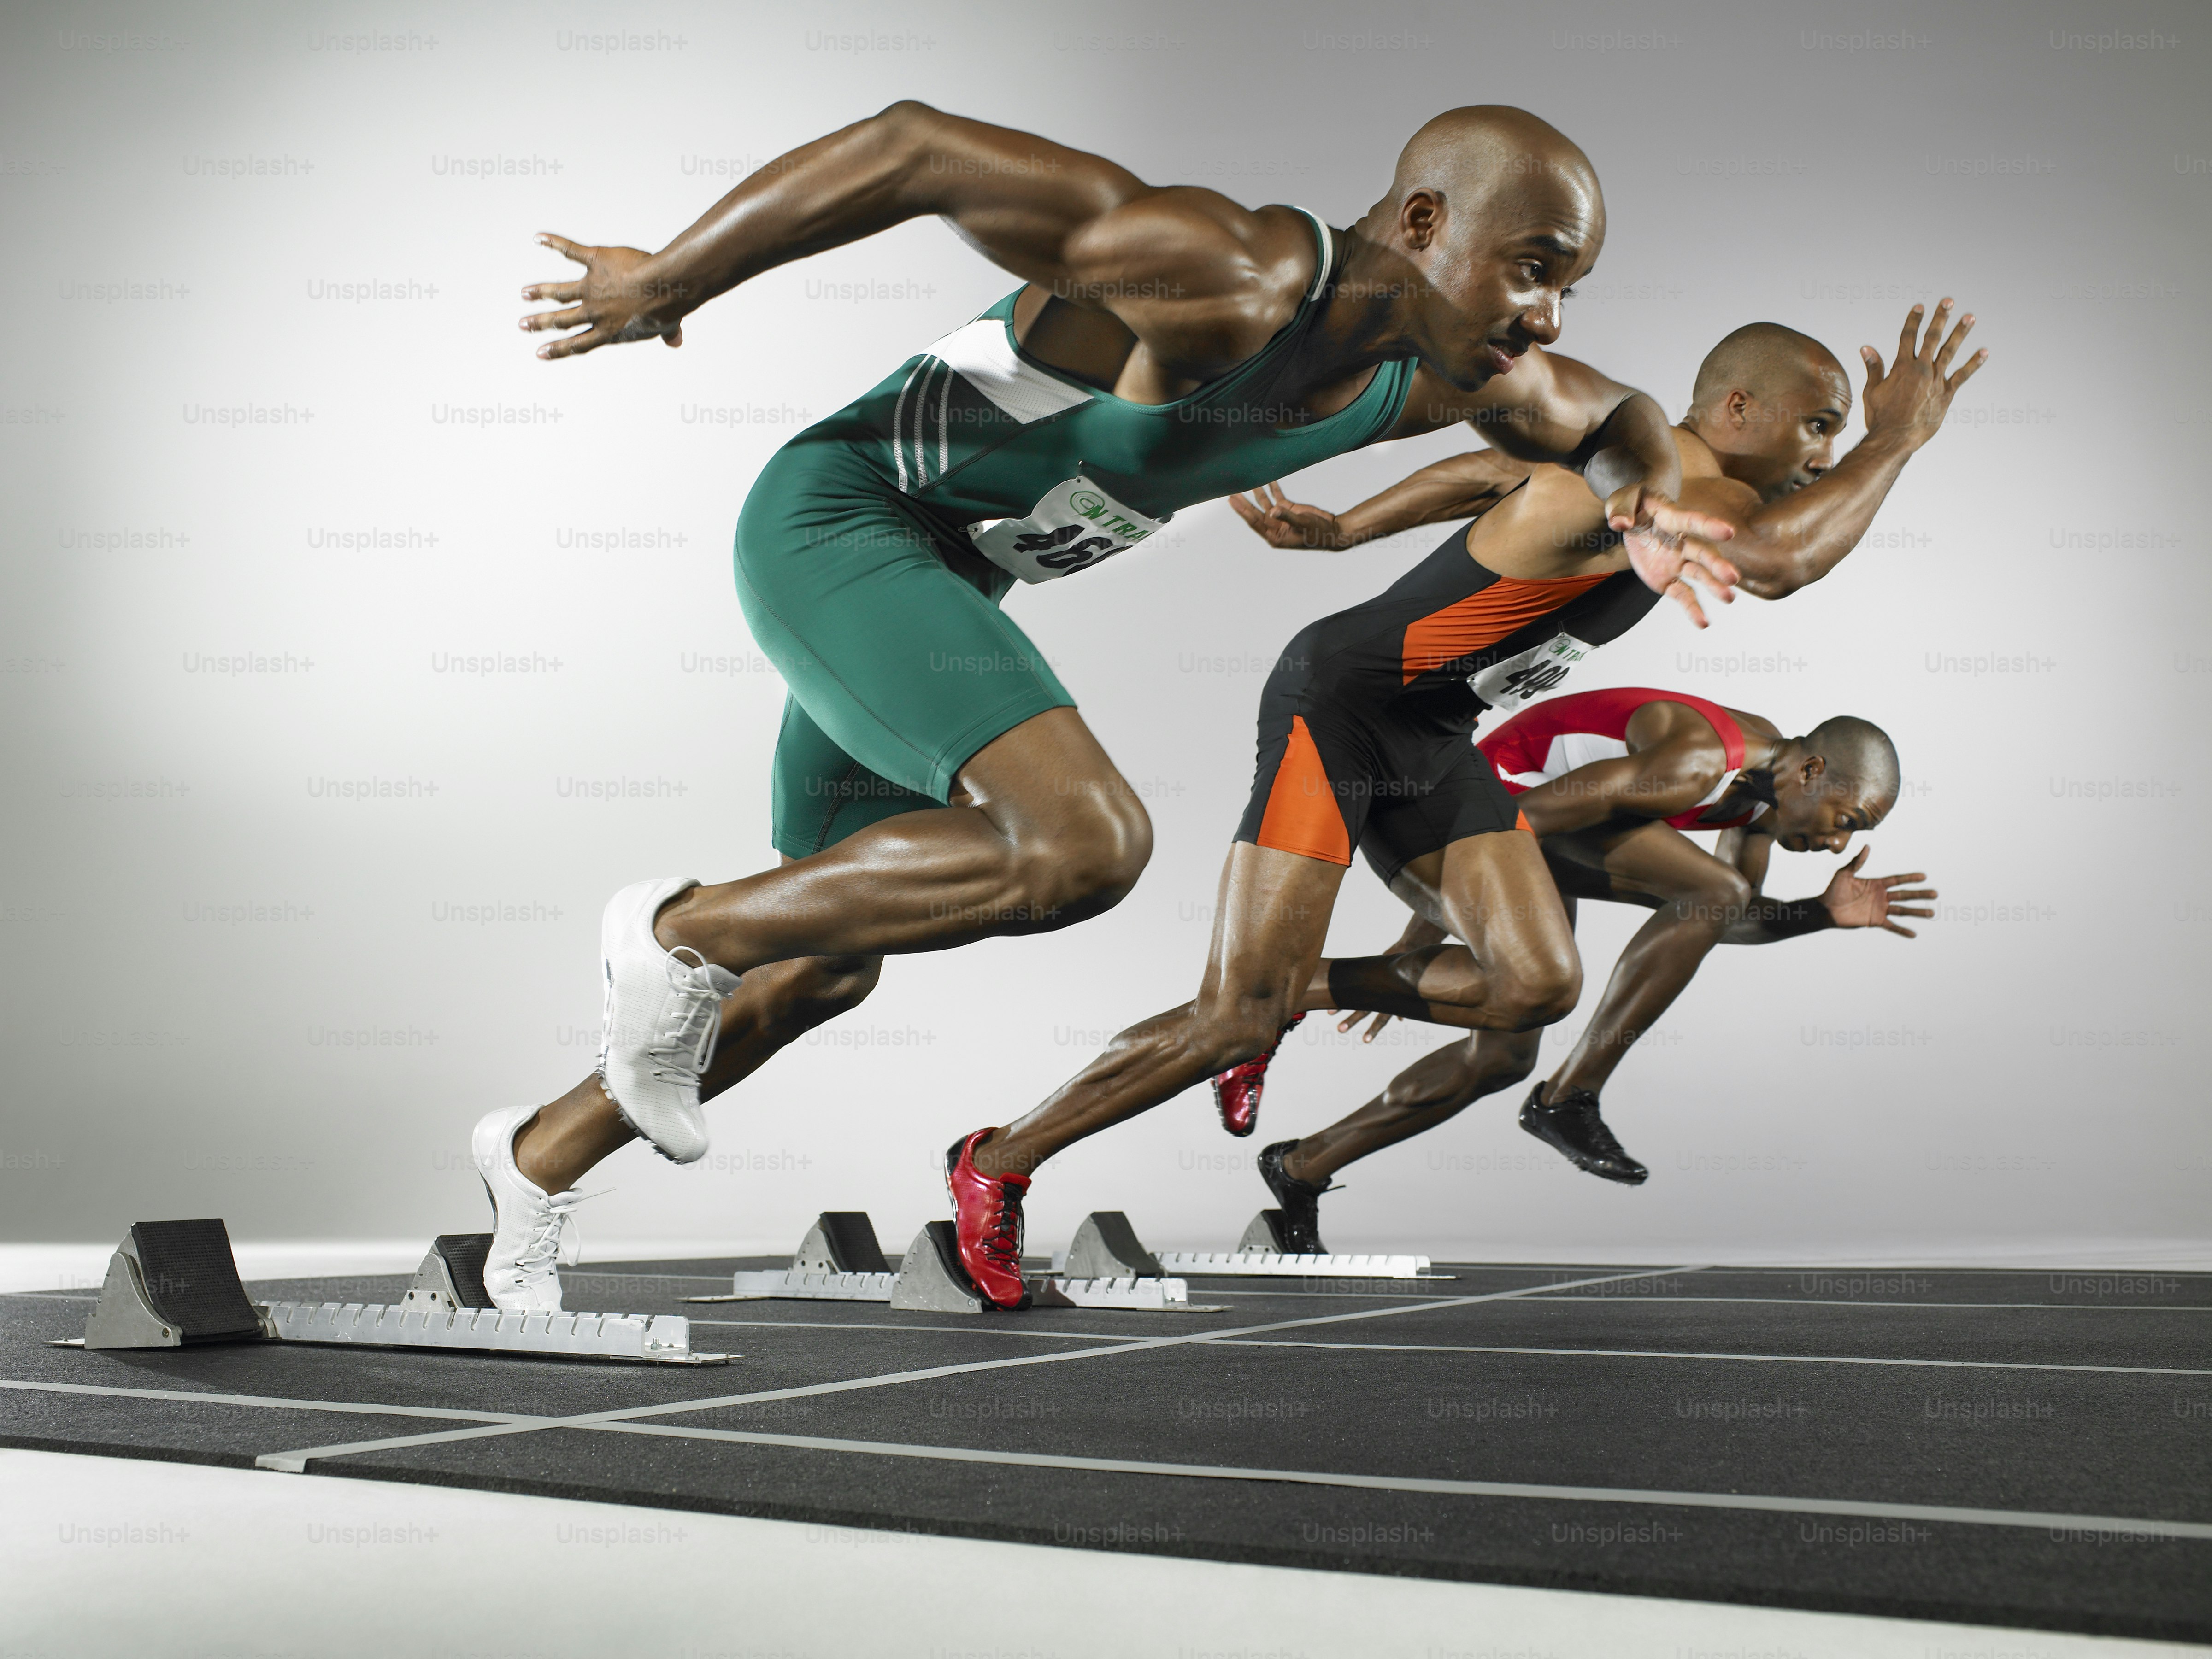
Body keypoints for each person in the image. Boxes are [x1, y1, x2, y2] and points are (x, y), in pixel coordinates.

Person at [472, 100, 1734, 1309]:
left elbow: (1619, 419)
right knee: (1085, 845)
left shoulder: (1442, 380)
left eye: (1571, 288)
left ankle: (534, 1164)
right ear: (1419, 224)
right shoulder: (1225, 272)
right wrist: (672, 278)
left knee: (825, 970)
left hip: (952, 588)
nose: (1547, 314)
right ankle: (678, 927)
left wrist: (1642, 503)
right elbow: (915, 150)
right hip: (847, 521)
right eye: (1533, 269)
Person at [952, 302, 1980, 1307]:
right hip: (1339, 709)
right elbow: (1784, 563)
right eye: (1819, 423)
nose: (1828, 449)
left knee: (1534, 985)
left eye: (1841, 431)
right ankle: (998, 1161)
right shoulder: (1668, 483)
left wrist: (1350, 528)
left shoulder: (1632, 469)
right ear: (1740, 408)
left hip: (1435, 739)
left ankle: (1288, 997)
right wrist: (1898, 439)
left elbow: (1495, 473)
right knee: (1230, 1014)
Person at [1251, 688, 1930, 1249]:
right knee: (1714, 891)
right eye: (1848, 819)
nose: (1838, 841)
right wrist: (1416, 935)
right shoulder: (1697, 762)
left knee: (1502, 1057)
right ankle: (1566, 1098)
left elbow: (1719, 920)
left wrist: (1820, 912)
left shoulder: (1759, 802)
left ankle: (1301, 1167)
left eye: (1854, 836)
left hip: (1535, 832)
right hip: (1486, 799)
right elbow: (1508, 820)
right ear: (1811, 771)